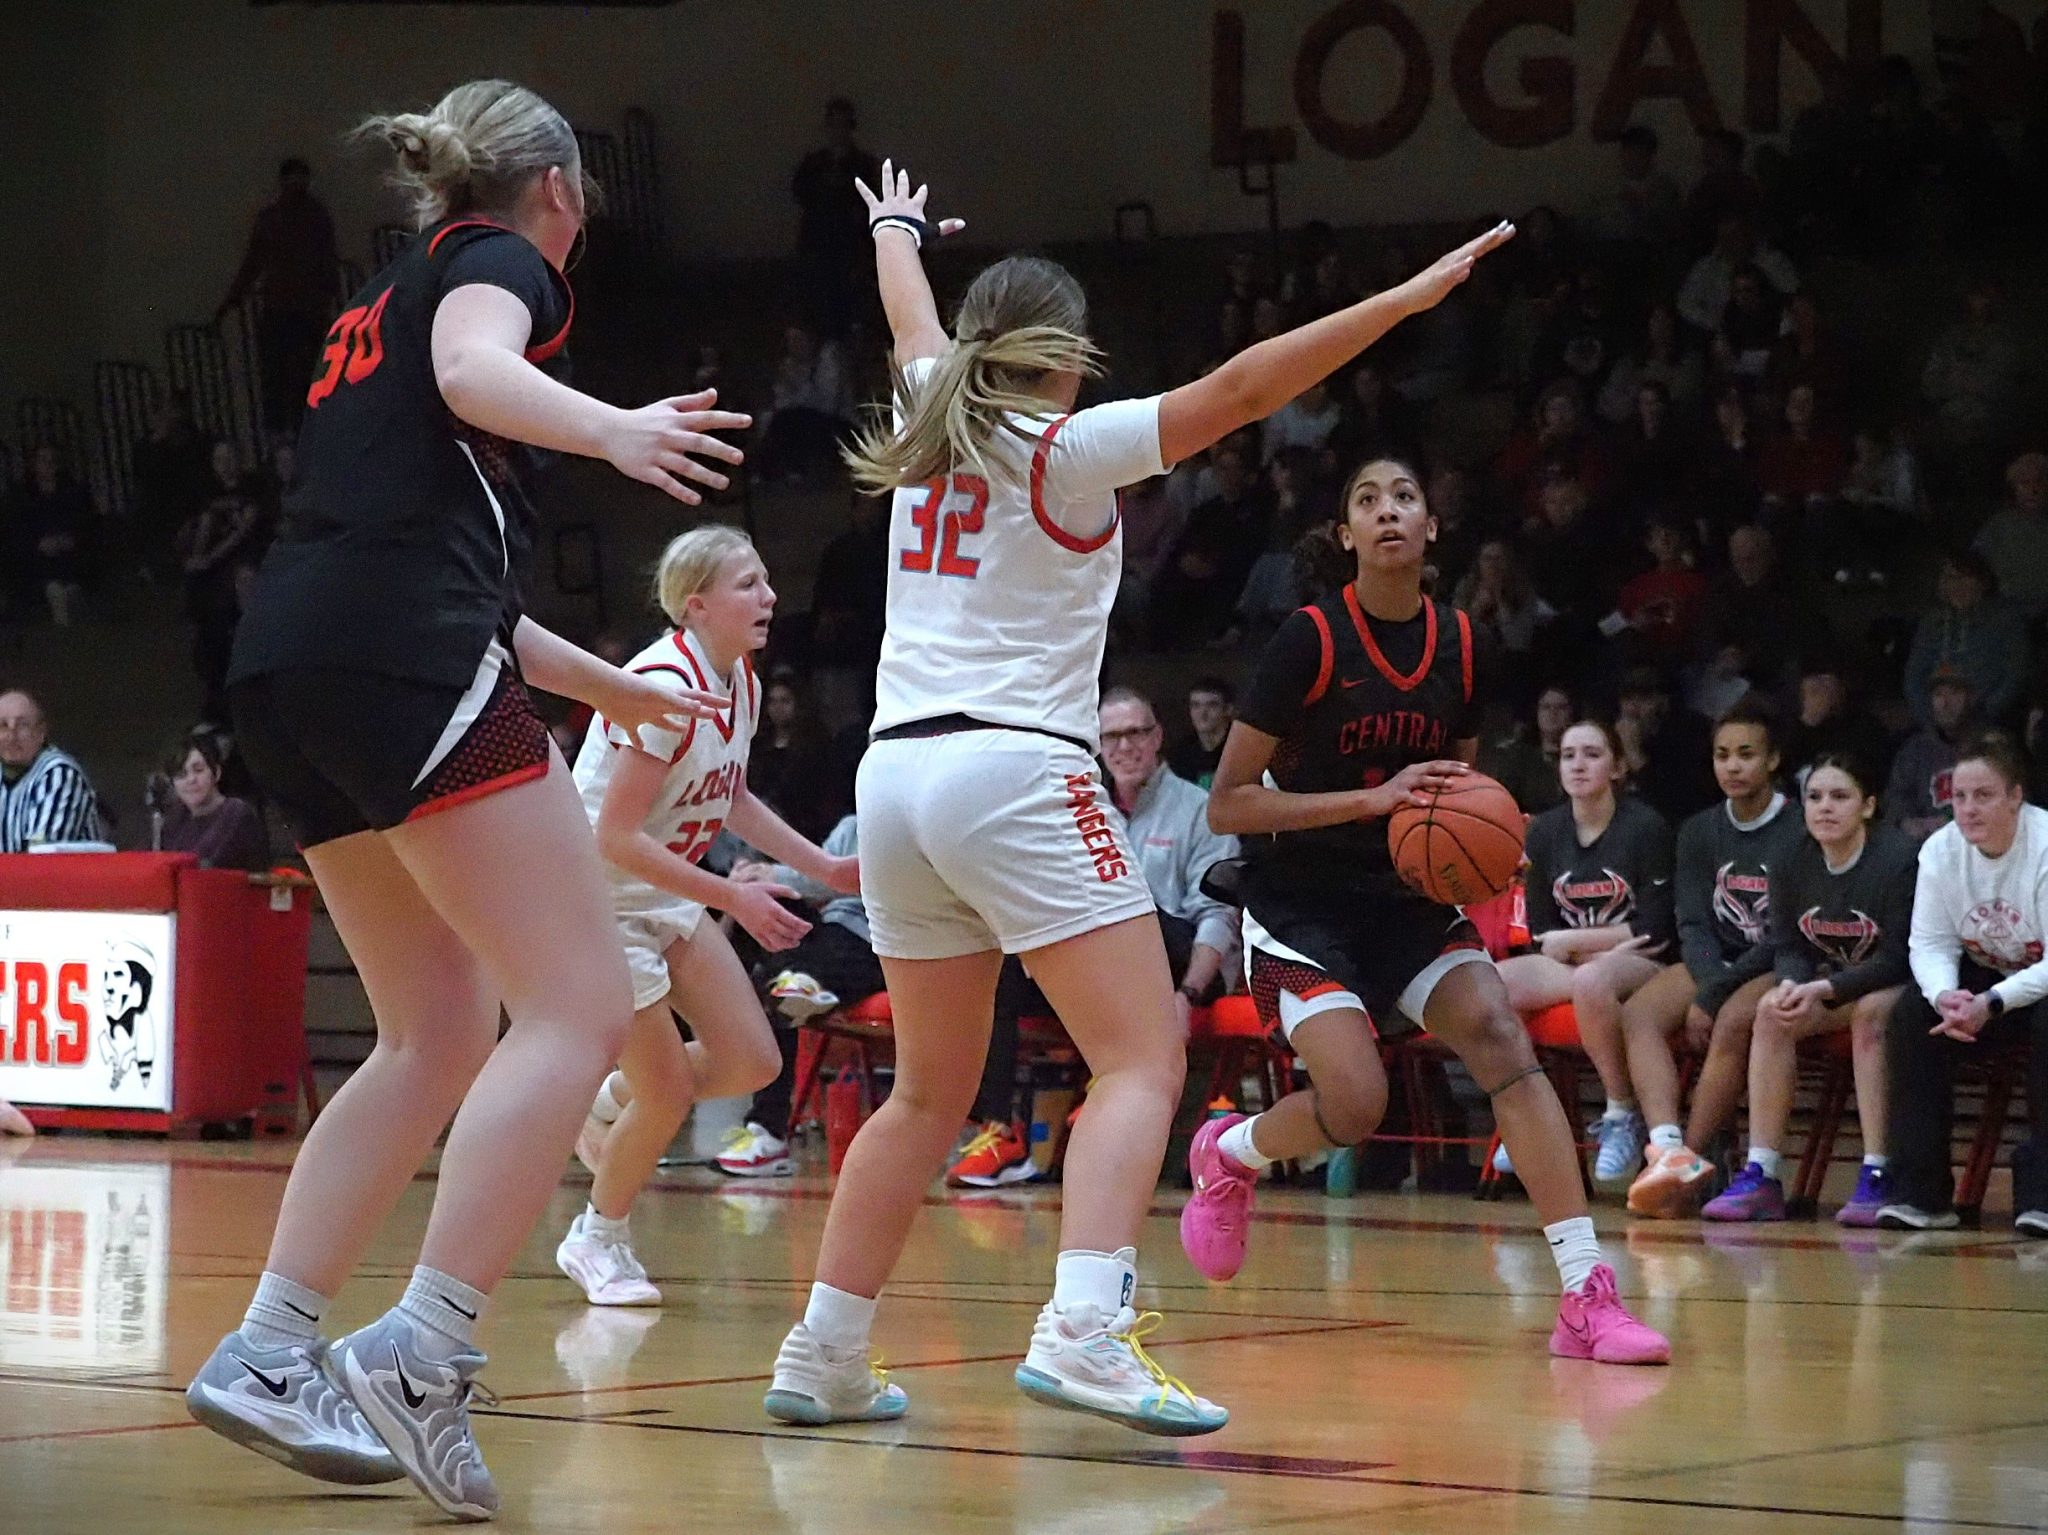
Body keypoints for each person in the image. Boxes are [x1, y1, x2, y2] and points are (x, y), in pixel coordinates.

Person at [764, 160, 1519, 1433]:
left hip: (891, 779)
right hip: (1012, 769)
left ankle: (822, 1348)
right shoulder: (1065, 449)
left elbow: (908, 315)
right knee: (1139, 1054)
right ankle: (1085, 1328)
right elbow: (1242, 389)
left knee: (925, 1091)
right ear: (1063, 358)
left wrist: (893, 229)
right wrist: (1399, 301)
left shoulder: (927, 404)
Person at [182, 81, 746, 1521]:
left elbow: (454, 579)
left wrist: (611, 691)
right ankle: (424, 1347)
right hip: (397, 659)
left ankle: (270, 1346)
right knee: (575, 1004)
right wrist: (615, 428)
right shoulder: (497, 264)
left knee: (433, 1028)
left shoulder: (375, 304)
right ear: (559, 188)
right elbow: (478, 366)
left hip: (288, 666)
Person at [1189, 455, 1669, 1365]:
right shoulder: (1308, 641)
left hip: (1404, 898)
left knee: (1501, 1035)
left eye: (1405, 496)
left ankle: (1586, 1293)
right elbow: (1227, 804)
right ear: (1347, 536)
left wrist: (1477, 838)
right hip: (1299, 903)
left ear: (1431, 526)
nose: (1389, 511)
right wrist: (1370, 801)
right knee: (1357, 1101)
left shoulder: (1464, 644)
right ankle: (1232, 1151)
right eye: (1367, 501)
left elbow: (1452, 791)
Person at [556, 527, 855, 1306]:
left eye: (766, 581)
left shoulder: (739, 680)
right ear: (697, 605)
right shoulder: (661, 686)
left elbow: (734, 797)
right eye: (748, 584)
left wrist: (823, 867)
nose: (770, 596)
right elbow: (614, 836)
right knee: (665, 1092)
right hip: (598, 902)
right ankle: (597, 1237)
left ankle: (610, 1101)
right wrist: (733, 896)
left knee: (752, 1060)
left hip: (660, 891)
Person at [948, 686, 1241, 1190]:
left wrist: (1186, 995)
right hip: (1098, 960)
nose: (1125, 747)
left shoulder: (1198, 809)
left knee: (1132, 915)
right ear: (1097, 746)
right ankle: (1000, 1132)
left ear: (1158, 737)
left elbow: (1217, 916)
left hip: (1184, 960)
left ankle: (1108, 1100)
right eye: (1112, 737)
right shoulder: (1079, 808)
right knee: (997, 971)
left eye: (1136, 734)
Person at [1702, 754, 1913, 1224]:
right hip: (1832, 981)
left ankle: (1878, 1171)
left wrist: (1825, 987)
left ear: (1868, 806)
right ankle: (1762, 1173)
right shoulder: (1790, 858)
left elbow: (1899, 958)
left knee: (1870, 1014)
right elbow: (1789, 944)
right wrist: (1792, 985)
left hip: (1901, 984)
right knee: (1771, 1010)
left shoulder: (1899, 860)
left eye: (1840, 796)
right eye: (1815, 797)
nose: (1825, 807)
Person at [1619, 699, 1803, 1218]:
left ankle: (1688, 1170)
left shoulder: (1798, 827)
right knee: (1639, 1013)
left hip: (1774, 961)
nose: (1733, 766)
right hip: (1714, 961)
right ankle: (1666, 1146)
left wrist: (1716, 994)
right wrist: (1708, 984)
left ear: (1773, 760)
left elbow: (1787, 932)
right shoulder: (1699, 830)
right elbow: (1694, 923)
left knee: (1734, 1020)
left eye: (1746, 754)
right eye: (1723, 755)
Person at [1494, 720, 1676, 1189]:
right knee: (1492, 985)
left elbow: (1655, 929)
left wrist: (1580, 944)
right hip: (1582, 959)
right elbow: (1540, 930)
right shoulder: (1543, 831)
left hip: (1644, 962)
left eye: (1592, 754)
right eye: (1568, 755)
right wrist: (1601, 943)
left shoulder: (1646, 827)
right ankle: (1529, 1114)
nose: (1578, 764)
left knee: (1592, 982)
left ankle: (1620, 1113)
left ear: (1617, 767)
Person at [1881, 732, 2048, 1235]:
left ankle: (2042, 1197)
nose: (1969, 809)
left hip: (2030, 988)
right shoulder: (1940, 850)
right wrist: (1945, 997)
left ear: (2016, 797)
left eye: (1984, 795)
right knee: (1911, 1016)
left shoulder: (2044, 845)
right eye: (1959, 797)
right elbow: (1930, 943)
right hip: (1984, 982)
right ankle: (1922, 1195)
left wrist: (1993, 1002)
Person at [722, 812, 879, 1178]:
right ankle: (797, 984)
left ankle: (804, 982)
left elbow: (850, 879)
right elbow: (818, 881)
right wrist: (751, 883)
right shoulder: (851, 825)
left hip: (880, 943)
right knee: (775, 924)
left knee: (798, 974)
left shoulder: (919, 823)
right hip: (830, 931)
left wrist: (774, 876)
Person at [218, 158, 341, 438]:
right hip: (298, 309)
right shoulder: (309, 218)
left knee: (286, 373)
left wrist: (230, 302)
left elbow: (253, 263)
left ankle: (287, 430)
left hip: (293, 308)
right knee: (293, 373)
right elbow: (255, 262)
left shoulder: (283, 218)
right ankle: (294, 429)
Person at [1902, 551, 2029, 729]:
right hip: (1936, 721)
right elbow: (1914, 675)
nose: (1956, 585)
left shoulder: (2005, 620)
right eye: (1950, 578)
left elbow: (2015, 675)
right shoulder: (1932, 623)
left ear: (1982, 583)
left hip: (1987, 720)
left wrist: (1982, 714)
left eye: (1964, 578)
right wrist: (1930, 718)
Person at [790, 99, 883, 337]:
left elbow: (868, 202)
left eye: (843, 125)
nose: (838, 131)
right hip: (818, 249)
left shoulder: (863, 165)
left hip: (851, 250)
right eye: (834, 125)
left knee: (850, 313)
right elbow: (801, 193)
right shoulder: (814, 164)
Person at [0, 689, 103, 852]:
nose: (11, 736)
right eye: (3, 726)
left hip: (65, 870)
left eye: (22, 725)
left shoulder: (59, 773)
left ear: (41, 732)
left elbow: (42, 852)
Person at [155, 730, 269, 871]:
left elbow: (204, 863)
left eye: (198, 770)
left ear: (217, 773)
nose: (191, 779)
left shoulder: (237, 812)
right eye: (181, 774)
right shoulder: (175, 819)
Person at [1887, 667, 1974, 841]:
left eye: (1954, 693)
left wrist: (1951, 821)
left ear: (1970, 698)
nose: (1945, 703)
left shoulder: (1991, 746)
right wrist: (1907, 822)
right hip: (1925, 843)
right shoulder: (1916, 749)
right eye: (1938, 695)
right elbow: (1896, 798)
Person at [1971, 451, 2048, 624]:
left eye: (2039, 482)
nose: (2033, 490)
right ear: (2014, 488)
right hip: (2004, 615)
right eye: (2024, 483)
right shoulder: (1997, 527)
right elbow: (1973, 566)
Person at [1480, 683, 1573, 816]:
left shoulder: (1580, 758)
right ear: (1537, 713)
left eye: (1561, 707)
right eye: (1546, 707)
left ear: (1571, 713)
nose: (1553, 713)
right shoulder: (1516, 758)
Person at [1168, 678, 1233, 788]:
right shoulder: (1180, 753)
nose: (1202, 713)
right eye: (1196, 705)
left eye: (1212, 705)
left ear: (1228, 710)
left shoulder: (1242, 748)